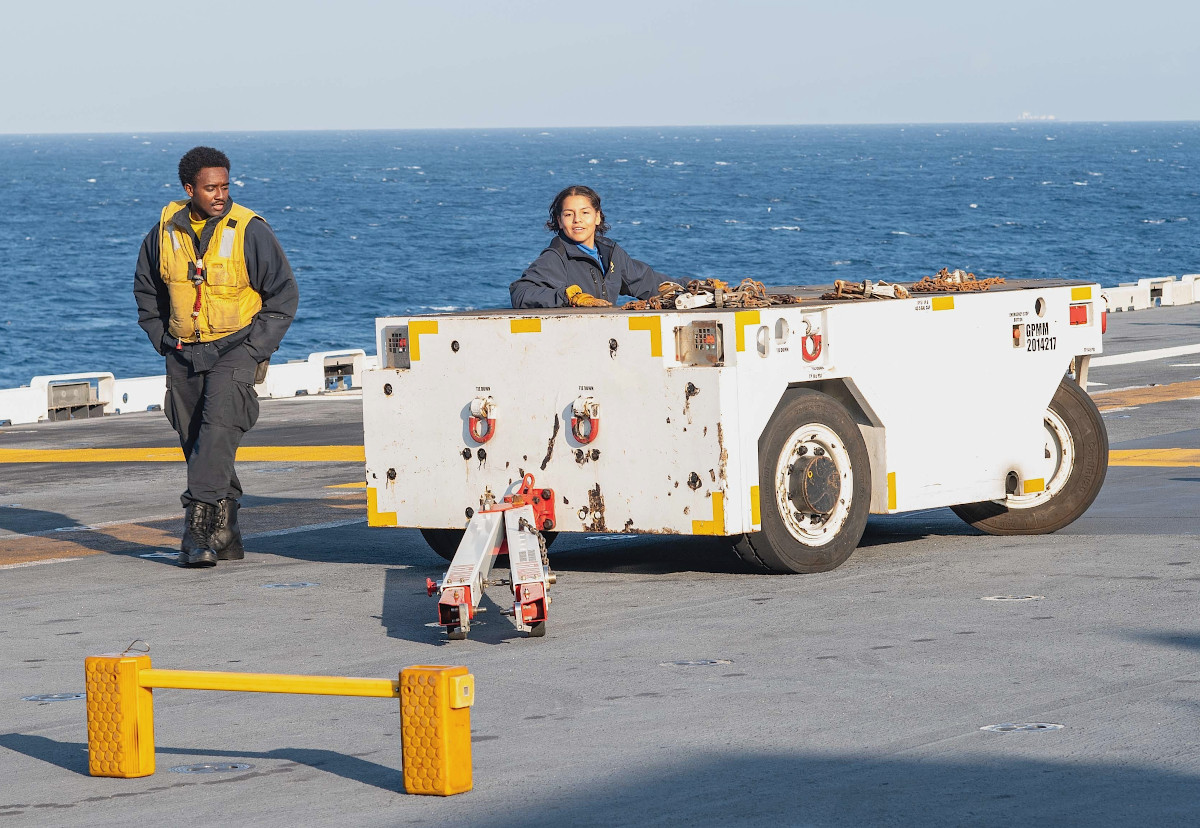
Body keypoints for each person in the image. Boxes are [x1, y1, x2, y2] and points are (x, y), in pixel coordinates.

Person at [133, 146, 299, 568]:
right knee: (199, 441)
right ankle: (227, 532)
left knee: (218, 429)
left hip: (236, 349)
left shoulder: (250, 229)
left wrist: (255, 350)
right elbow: (146, 291)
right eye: (211, 188)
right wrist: (163, 339)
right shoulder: (163, 232)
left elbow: (283, 296)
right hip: (184, 352)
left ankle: (197, 530)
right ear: (189, 189)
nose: (220, 194)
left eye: (225, 186)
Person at [510, 185, 677, 308]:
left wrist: (691, 287)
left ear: (597, 217)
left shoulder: (610, 253)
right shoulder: (555, 257)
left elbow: (649, 282)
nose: (577, 219)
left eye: (585, 212)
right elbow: (521, 293)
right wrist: (568, 297)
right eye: (569, 214)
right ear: (560, 221)